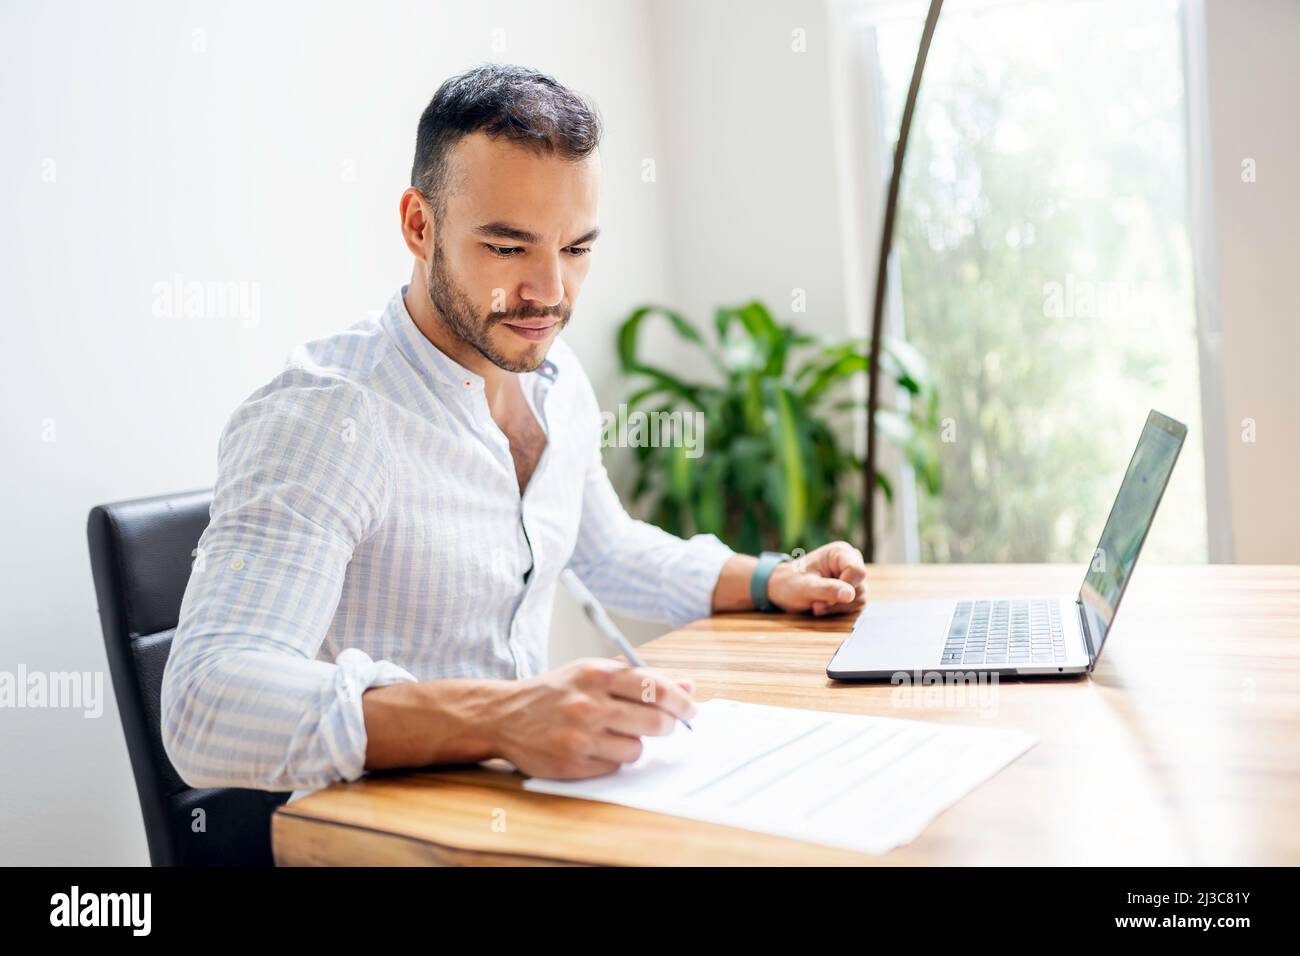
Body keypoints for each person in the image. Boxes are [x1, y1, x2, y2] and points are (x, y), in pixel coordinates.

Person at [161, 64, 868, 794]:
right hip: (399, 838)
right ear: (418, 225)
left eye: (576, 249)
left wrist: (768, 578)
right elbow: (204, 707)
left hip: (536, 801)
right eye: (507, 248)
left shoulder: (556, 382)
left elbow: (606, 548)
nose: (550, 294)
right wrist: (502, 717)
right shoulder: (328, 415)